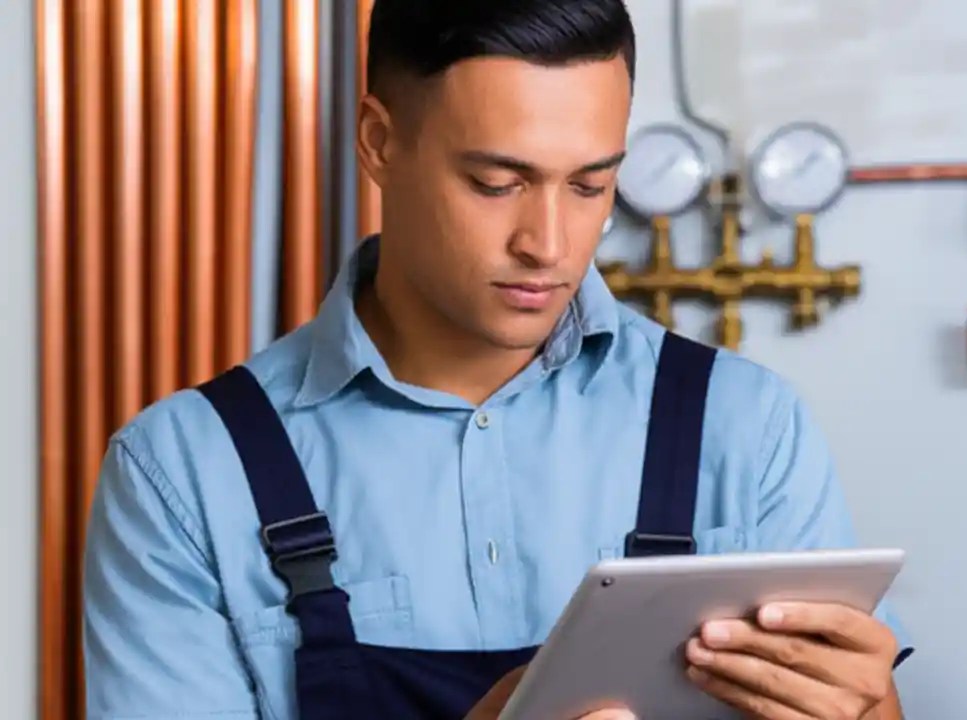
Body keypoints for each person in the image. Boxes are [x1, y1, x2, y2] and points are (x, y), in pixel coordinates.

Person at [82, 1, 913, 718]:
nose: (547, 245)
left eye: (590, 187)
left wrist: (863, 702)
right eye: (495, 183)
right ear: (378, 141)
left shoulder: (747, 425)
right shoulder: (182, 474)